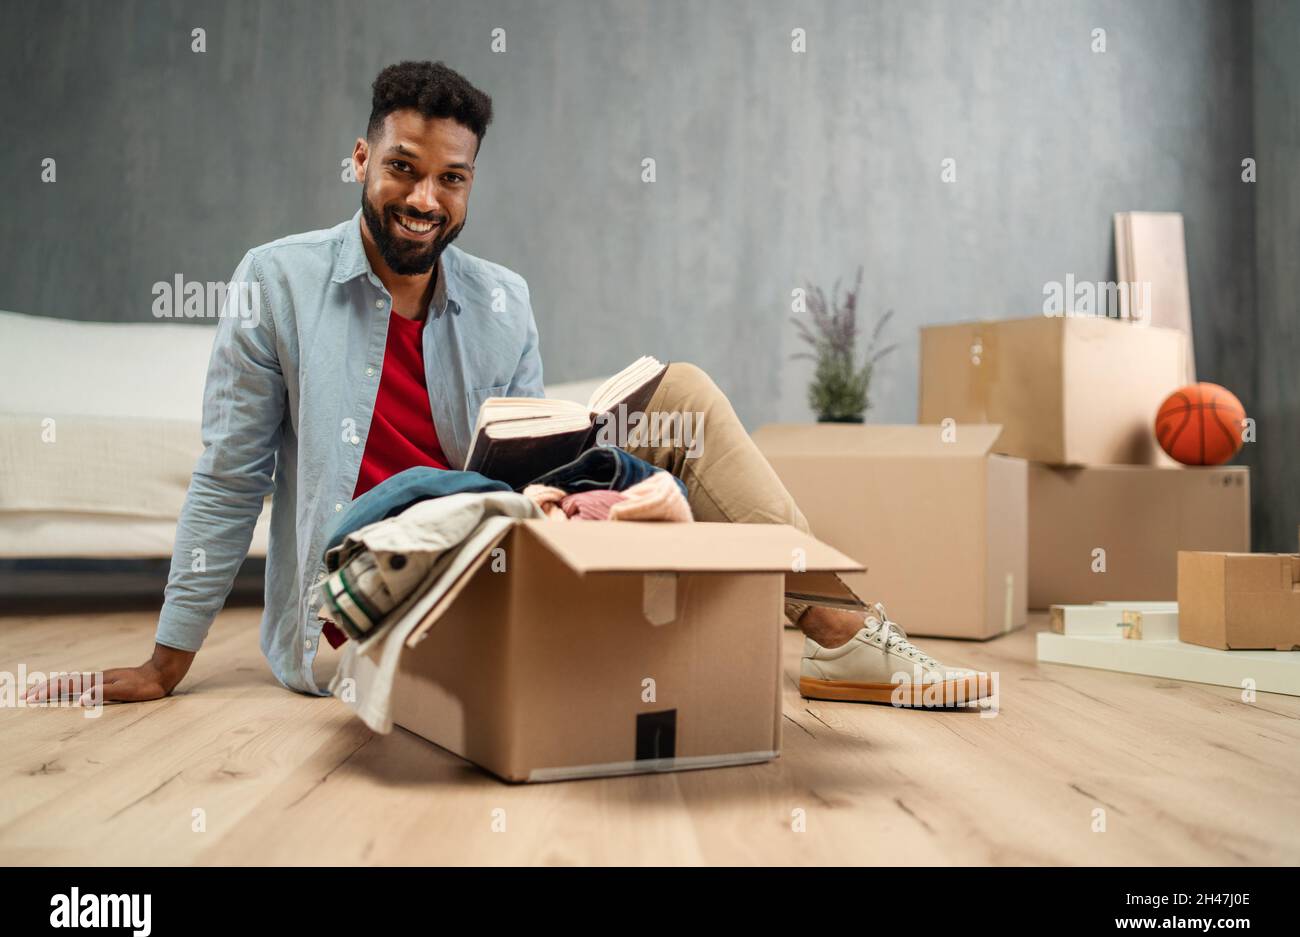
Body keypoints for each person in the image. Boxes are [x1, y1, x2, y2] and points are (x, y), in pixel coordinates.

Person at [25, 61, 984, 710]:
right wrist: (167, 658)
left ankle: (839, 628)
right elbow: (231, 476)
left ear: (471, 183)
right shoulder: (274, 281)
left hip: (494, 548)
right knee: (470, 516)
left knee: (674, 395)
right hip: (366, 588)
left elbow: (534, 448)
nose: (424, 199)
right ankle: (706, 650)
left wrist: (576, 488)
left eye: (452, 178)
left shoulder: (502, 298)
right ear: (362, 161)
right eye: (403, 168)